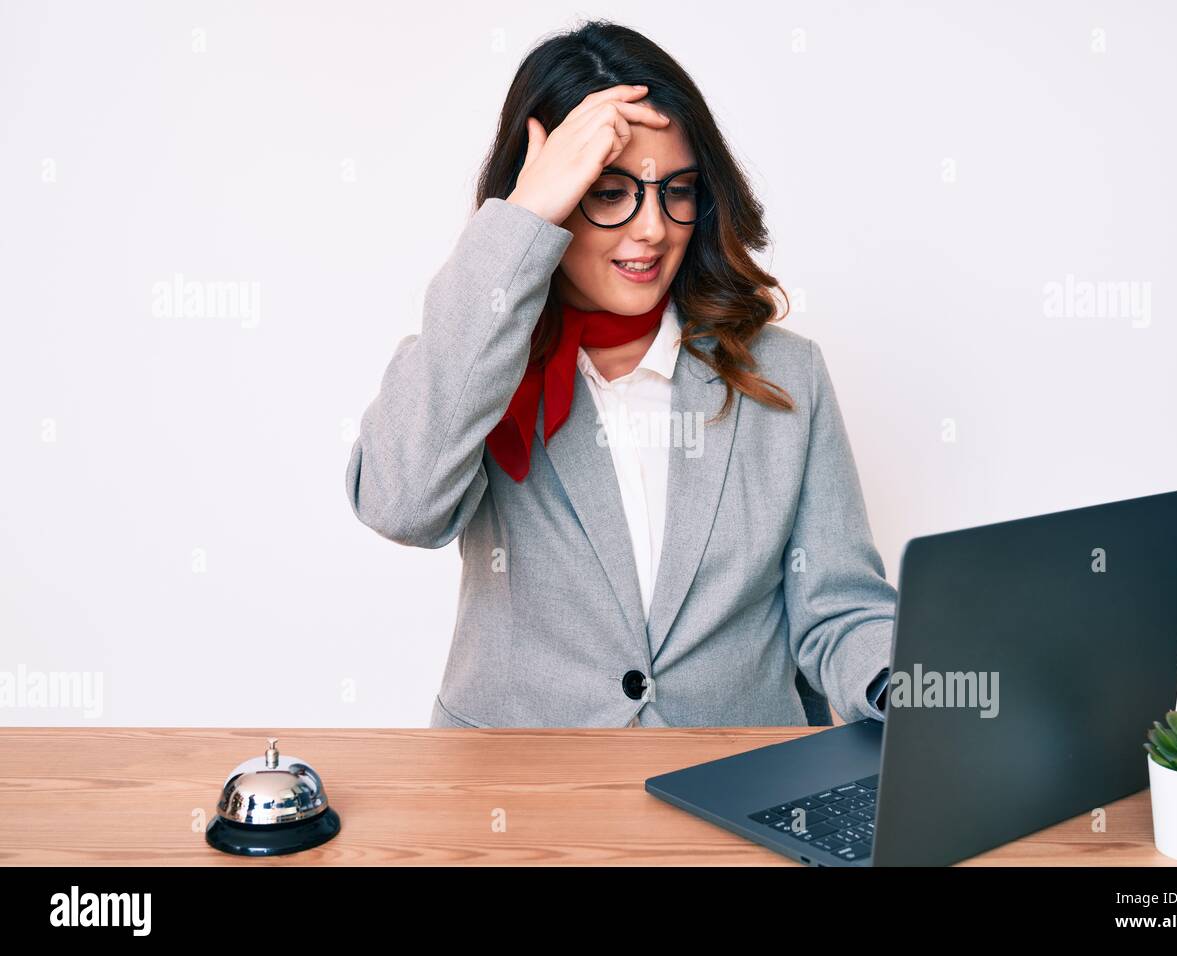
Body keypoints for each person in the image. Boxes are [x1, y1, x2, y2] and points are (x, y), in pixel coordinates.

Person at [344, 20, 896, 728]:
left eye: (678, 190)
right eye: (609, 192)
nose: (654, 229)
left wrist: (901, 686)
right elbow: (399, 504)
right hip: (518, 800)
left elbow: (840, 607)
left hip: (733, 788)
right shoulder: (477, 359)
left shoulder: (788, 373)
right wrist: (519, 221)